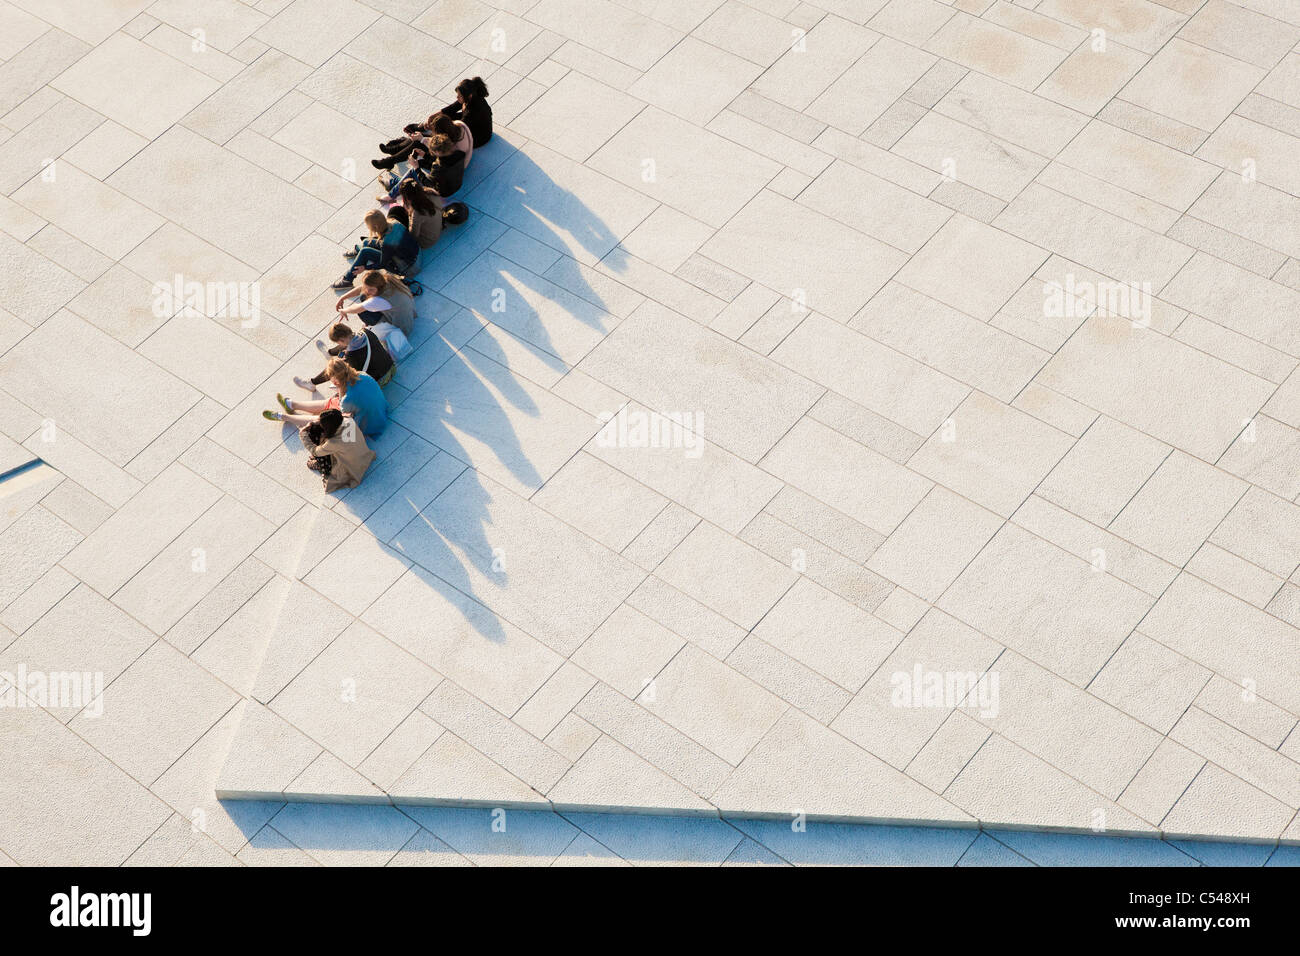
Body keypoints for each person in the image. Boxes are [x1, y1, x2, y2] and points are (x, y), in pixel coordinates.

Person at [264, 358, 387, 437]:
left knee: (325, 418)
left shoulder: (347, 398)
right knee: (330, 402)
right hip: (380, 412)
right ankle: (291, 404)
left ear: (335, 379)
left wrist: (339, 390)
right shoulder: (362, 375)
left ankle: (286, 416)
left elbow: (341, 413)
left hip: (367, 425)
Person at [293, 321, 394, 393]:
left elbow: (352, 373)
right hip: (391, 368)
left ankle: (312, 383)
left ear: (340, 340)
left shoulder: (351, 356)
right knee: (348, 344)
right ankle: (330, 352)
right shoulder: (366, 332)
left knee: (336, 368)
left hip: (380, 381)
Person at [333, 208, 417, 288]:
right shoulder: (395, 223)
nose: (368, 227)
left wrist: (365, 268)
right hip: (415, 254)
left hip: (408, 267)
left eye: (368, 225)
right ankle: (358, 250)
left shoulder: (387, 243)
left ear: (376, 226)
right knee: (367, 241)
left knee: (365, 252)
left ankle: (347, 280)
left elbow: (382, 264)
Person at [298, 408, 376, 492]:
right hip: (360, 455)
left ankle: (320, 465)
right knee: (315, 428)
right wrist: (315, 422)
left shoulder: (334, 442)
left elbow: (315, 451)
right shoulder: (348, 420)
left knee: (311, 434)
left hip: (348, 466)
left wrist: (303, 435)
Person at [377, 133, 464, 203]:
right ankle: (392, 183)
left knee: (412, 172)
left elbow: (430, 184)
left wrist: (416, 168)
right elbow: (445, 160)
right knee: (417, 167)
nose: (431, 152)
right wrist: (425, 155)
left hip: (442, 192)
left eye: (432, 151)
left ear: (437, 152)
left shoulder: (437, 167)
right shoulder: (460, 153)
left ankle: (390, 195)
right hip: (456, 184)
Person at [334, 269, 415, 336]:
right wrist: (342, 298)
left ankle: (370, 325)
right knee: (363, 296)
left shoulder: (380, 300)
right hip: (408, 313)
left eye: (371, 289)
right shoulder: (387, 280)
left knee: (363, 312)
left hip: (402, 327)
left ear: (379, 287)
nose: (367, 291)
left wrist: (343, 310)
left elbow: (357, 309)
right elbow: (363, 288)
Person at [442, 77, 491, 148]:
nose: (457, 97)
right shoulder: (470, 97)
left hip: (478, 137)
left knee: (447, 138)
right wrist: (433, 117)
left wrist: (439, 127)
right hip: (470, 123)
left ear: (469, 96)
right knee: (446, 117)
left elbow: (459, 129)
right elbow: (452, 108)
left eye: (460, 96)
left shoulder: (473, 111)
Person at [400, 179, 442, 250]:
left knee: (398, 214)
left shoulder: (417, 213)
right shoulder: (430, 192)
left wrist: (409, 213)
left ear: (408, 197)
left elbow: (413, 235)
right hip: (437, 227)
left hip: (426, 241)